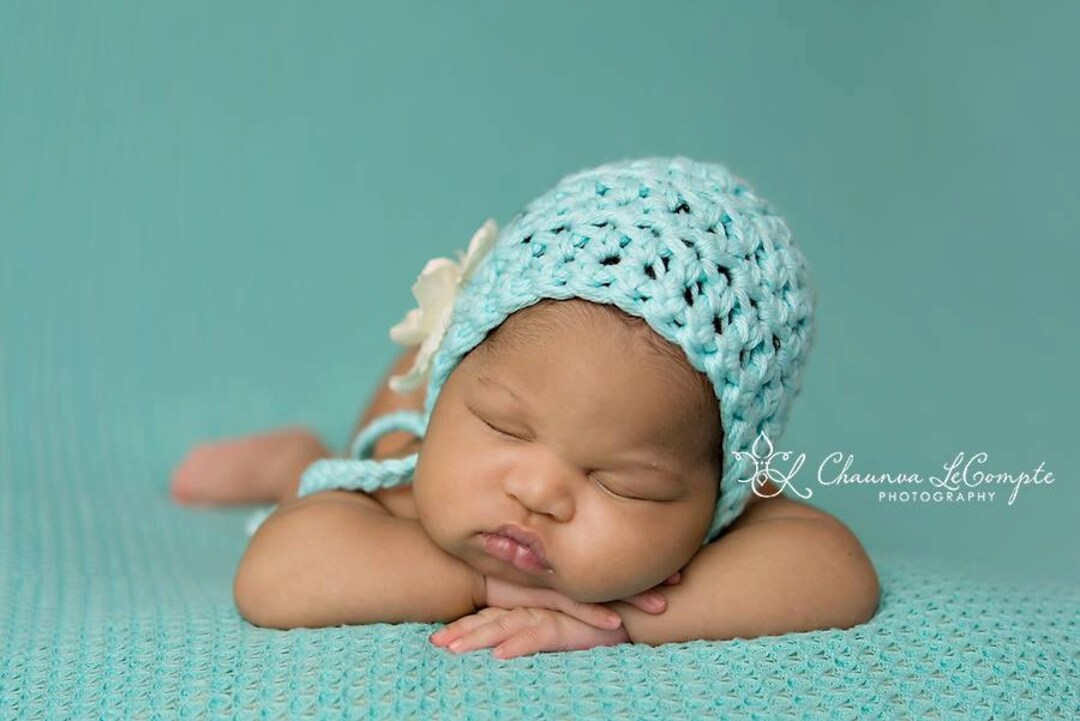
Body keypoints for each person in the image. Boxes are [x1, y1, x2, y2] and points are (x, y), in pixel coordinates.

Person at [171, 156, 879, 659]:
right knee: (360, 453)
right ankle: (295, 452)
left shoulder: (716, 499)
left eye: (621, 481)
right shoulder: (418, 494)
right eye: (504, 428)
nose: (537, 491)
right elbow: (273, 576)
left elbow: (839, 571)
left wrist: (619, 619)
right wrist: (485, 582)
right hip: (403, 438)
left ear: (721, 495)